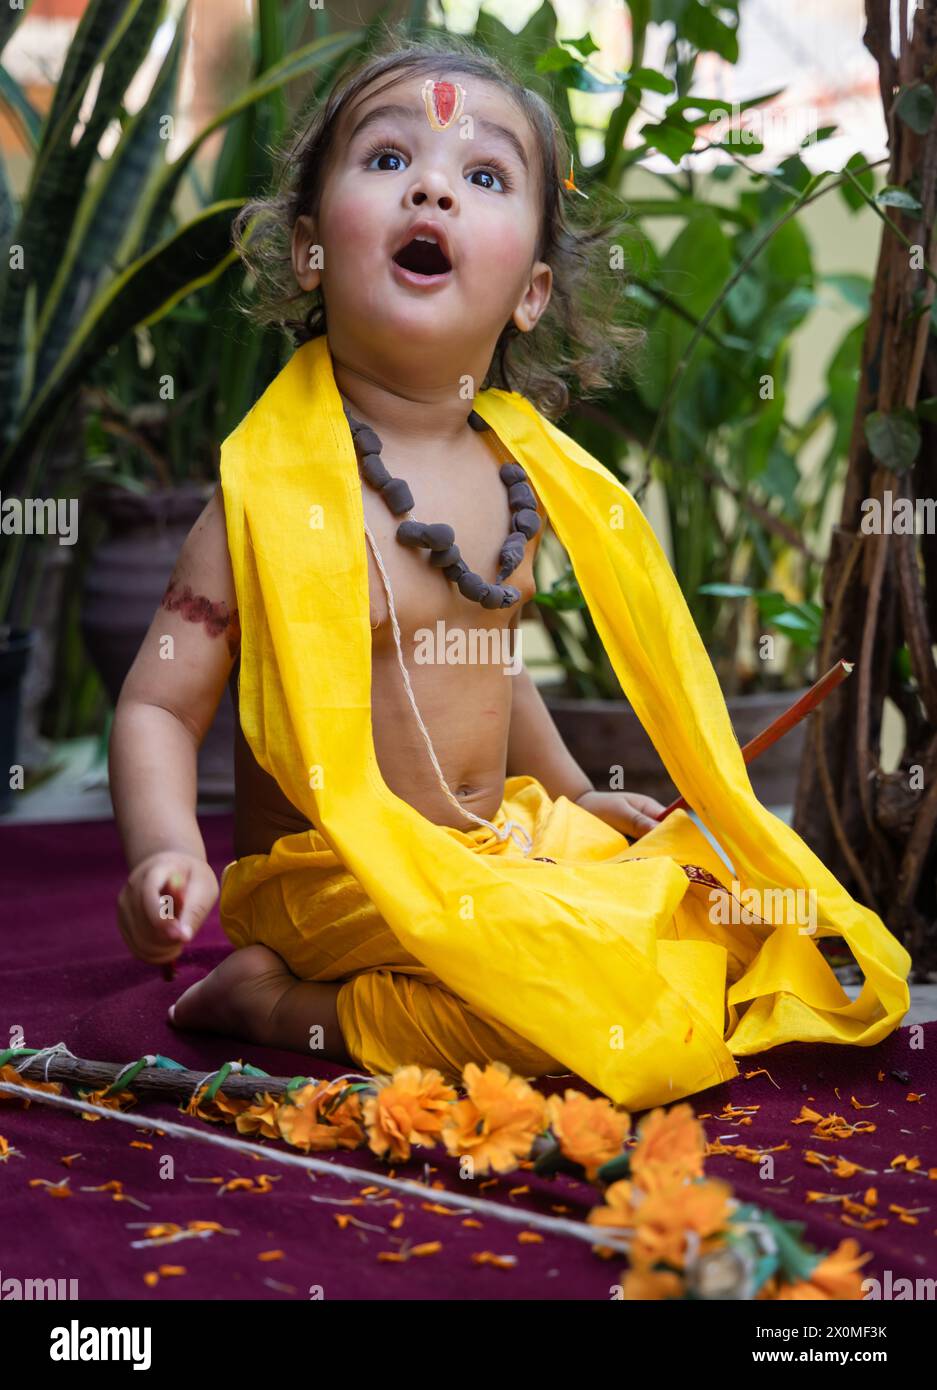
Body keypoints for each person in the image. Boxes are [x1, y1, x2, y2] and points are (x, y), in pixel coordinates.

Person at [109, 34, 910, 1107]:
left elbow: (492, 664)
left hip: (496, 848)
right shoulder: (271, 493)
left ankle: (519, 938)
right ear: (307, 249)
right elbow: (160, 704)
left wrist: (577, 796)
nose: (431, 184)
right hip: (339, 880)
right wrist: (164, 853)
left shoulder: (514, 471)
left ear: (530, 291)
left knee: (707, 903)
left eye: (482, 176)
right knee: (558, 1010)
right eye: (388, 160)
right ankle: (280, 1004)